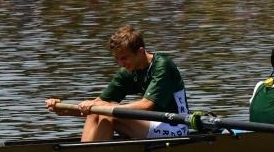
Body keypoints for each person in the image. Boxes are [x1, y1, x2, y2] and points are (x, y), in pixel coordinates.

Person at [44, 25, 189, 142]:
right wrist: (61, 109)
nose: (121, 64)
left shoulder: (163, 66)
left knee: (107, 113)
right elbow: (97, 104)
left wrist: (104, 106)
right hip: (151, 124)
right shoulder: (127, 71)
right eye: (117, 59)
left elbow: (146, 105)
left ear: (140, 51)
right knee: (95, 112)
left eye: (125, 58)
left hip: (177, 128)